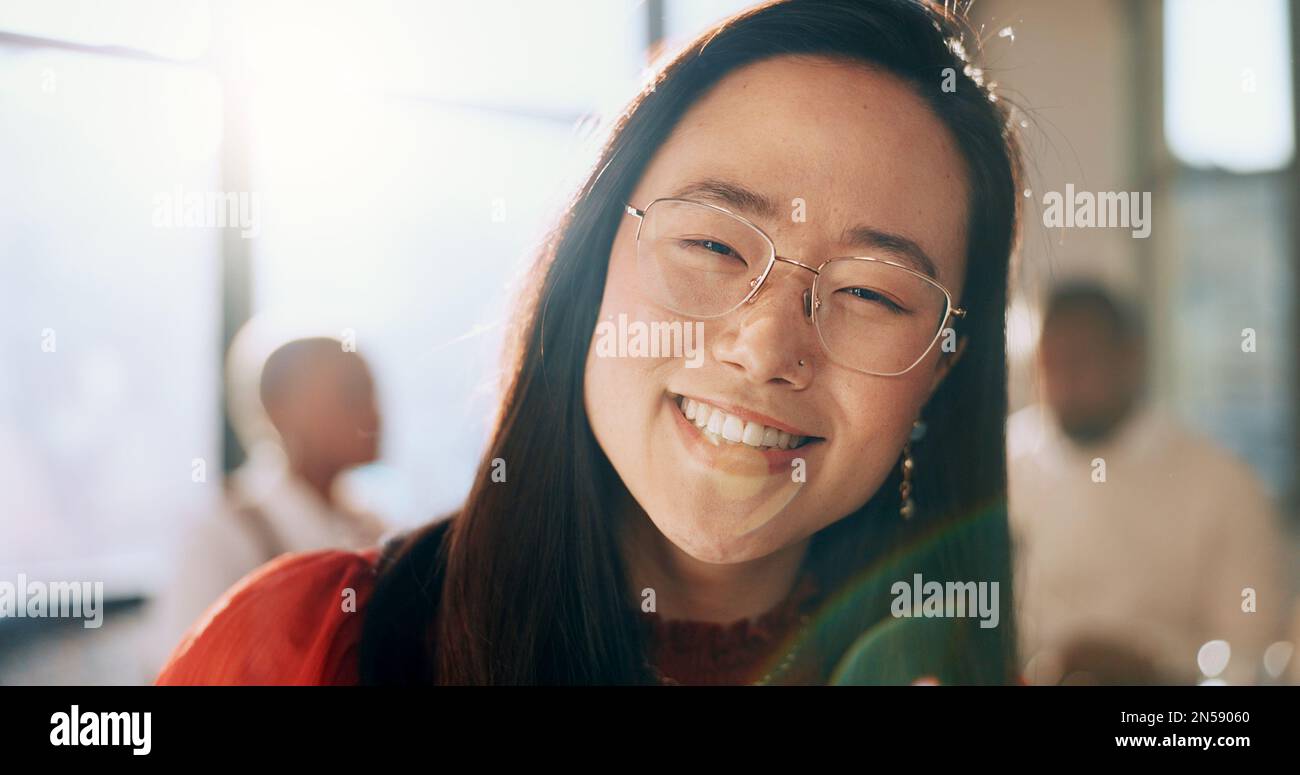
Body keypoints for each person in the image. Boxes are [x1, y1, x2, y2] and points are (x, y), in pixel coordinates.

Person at [157, 0, 1025, 685]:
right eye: (715, 245)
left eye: (872, 292)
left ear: (943, 370)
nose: (766, 346)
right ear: (589, 260)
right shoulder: (306, 647)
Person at [1008, 282, 1289, 685]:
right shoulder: (1006, 469)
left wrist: (1157, 673)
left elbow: (1253, 658)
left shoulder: (1221, 483)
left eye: (1083, 361)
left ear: (1130, 358)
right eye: (1052, 364)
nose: (1066, 382)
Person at [151, 334, 388, 670]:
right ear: (280, 409)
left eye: (373, 393)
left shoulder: (375, 527)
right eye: (352, 394)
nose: (375, 413)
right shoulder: (221, 532)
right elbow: (182, 667)